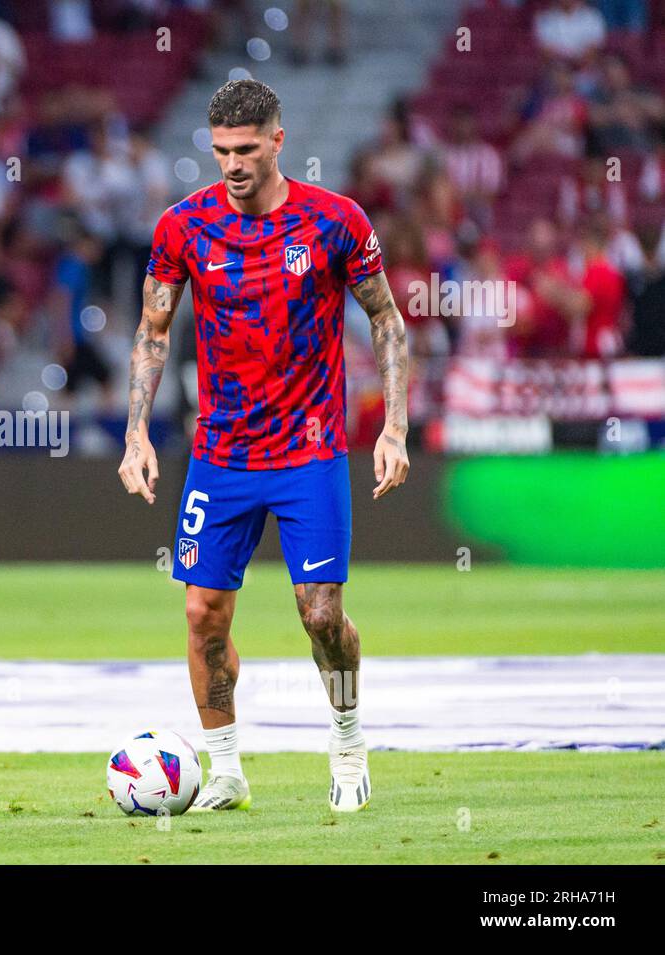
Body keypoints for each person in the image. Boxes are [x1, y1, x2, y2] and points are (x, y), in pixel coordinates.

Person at [117, 80, 410, 814]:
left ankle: (346, 738)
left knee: (319, 612)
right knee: (202, 615)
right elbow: (153, 331)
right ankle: (224, 768)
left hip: (310, 450)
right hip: (220, 454)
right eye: (220, 151)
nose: (232, 164)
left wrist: (394, 428)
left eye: (246, 150)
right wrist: (136, 432)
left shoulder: (334, 222)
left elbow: (388, 323)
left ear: (278, 142)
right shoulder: (183, 228)